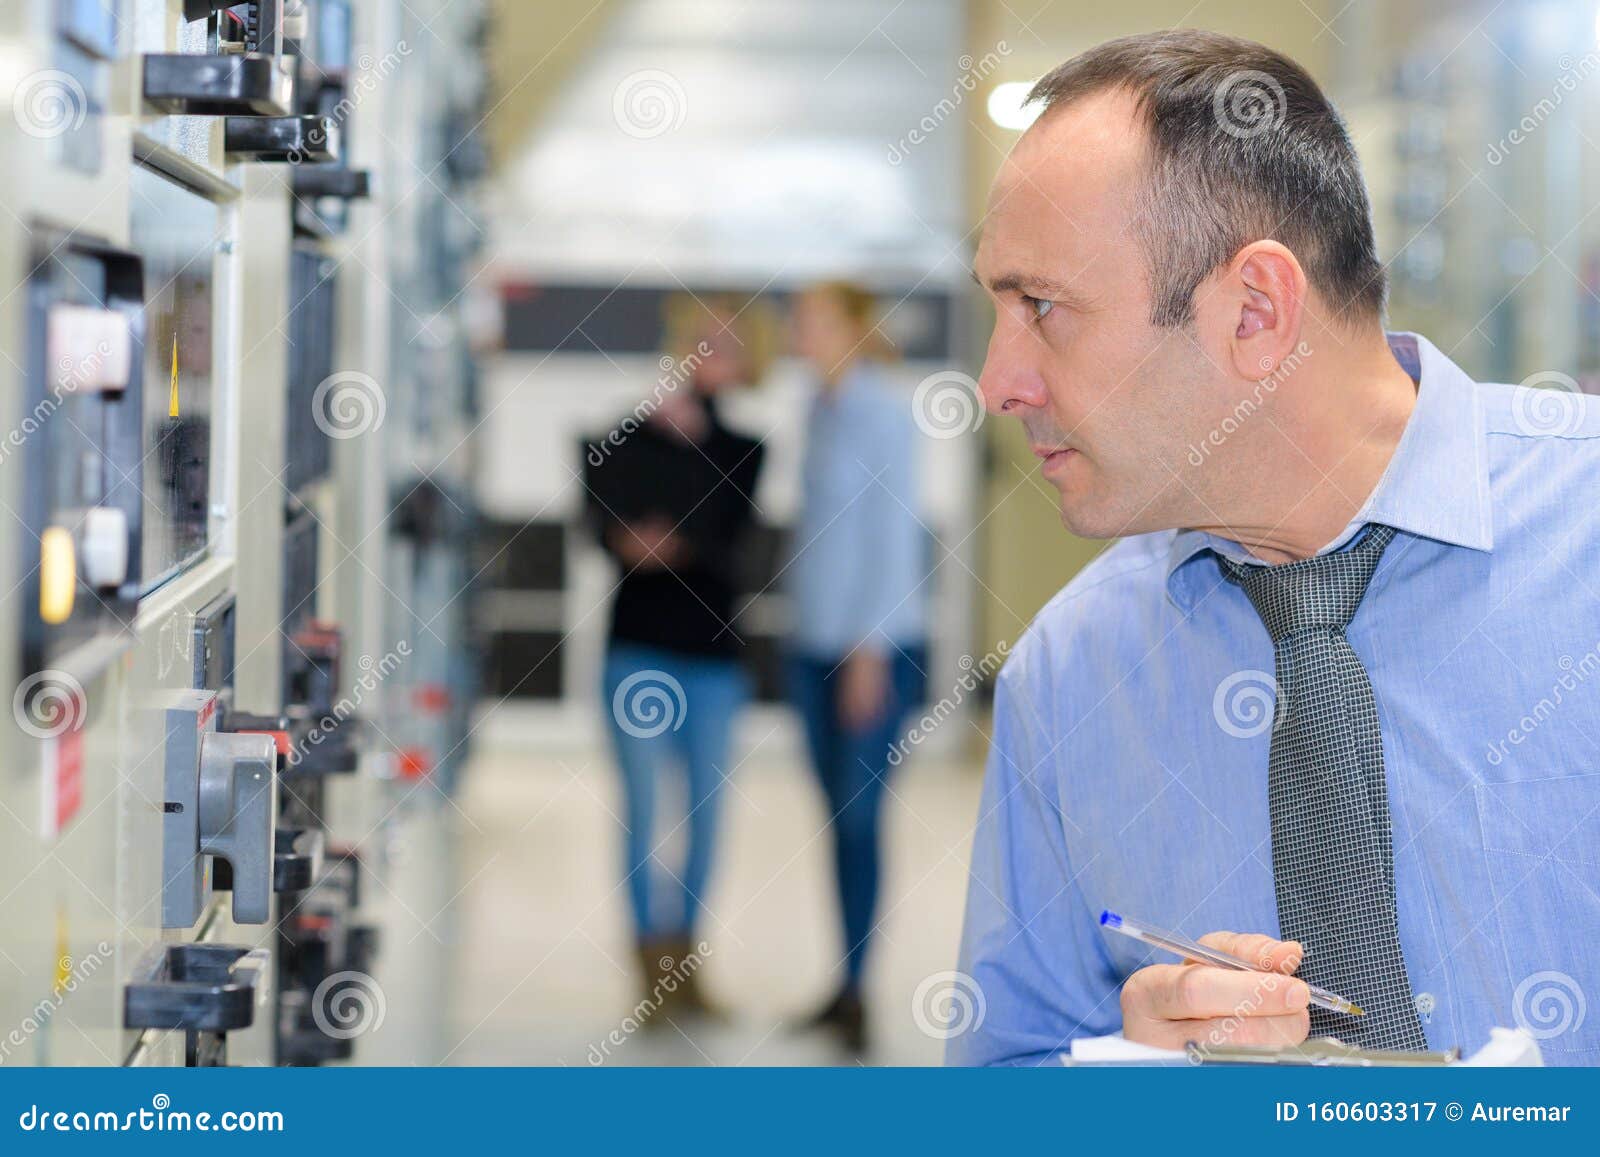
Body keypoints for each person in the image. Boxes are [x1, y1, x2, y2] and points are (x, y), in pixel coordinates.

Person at [952, 30, 1600, 1066]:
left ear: (1254, 311)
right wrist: (1139, 1094)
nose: (997, 382)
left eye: (1040, 307)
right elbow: (1001, 1073)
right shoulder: (1069, 677)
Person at [583, 293, 769, 1022]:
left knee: (706, 815)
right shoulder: (632, 434)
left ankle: (685, 967)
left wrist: (672, 527)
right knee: (639, 810)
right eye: (701, 341)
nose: (711, 355)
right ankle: (646, 966)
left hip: (714, 660)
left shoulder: (743, 448)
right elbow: (602, 521)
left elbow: (727, 541)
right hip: (636, 651)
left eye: (726, 344)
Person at [786, 281, 927, 1052]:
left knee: (862, 817)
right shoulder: (818, 405)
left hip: (872, 652)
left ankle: (860, 986)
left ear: (850, 326)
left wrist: (869, 649)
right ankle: (841, 983)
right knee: (835, 820)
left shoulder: (883, 410)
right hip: (812, 648)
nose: (797, 329)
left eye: (810, 317)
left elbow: (893, 537)